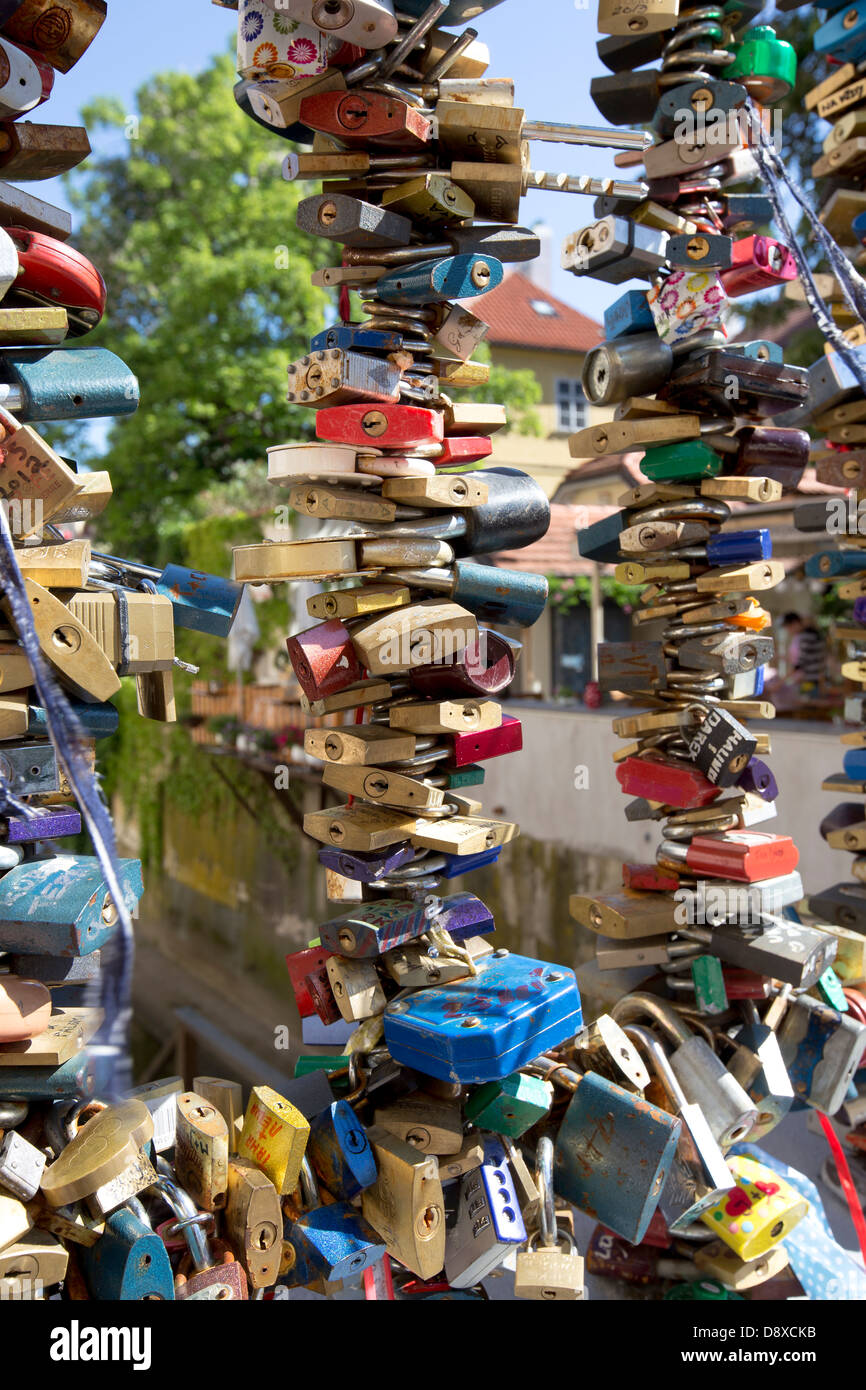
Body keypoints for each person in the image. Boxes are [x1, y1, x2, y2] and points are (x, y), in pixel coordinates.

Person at [781, 611, 826, 691]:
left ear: (795, 623)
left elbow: (800, 664)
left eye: (788, 627)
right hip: (810, 680)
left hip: (810, 681)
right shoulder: (806, 635)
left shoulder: (807, 637)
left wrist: (780, 682)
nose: (788, 631)